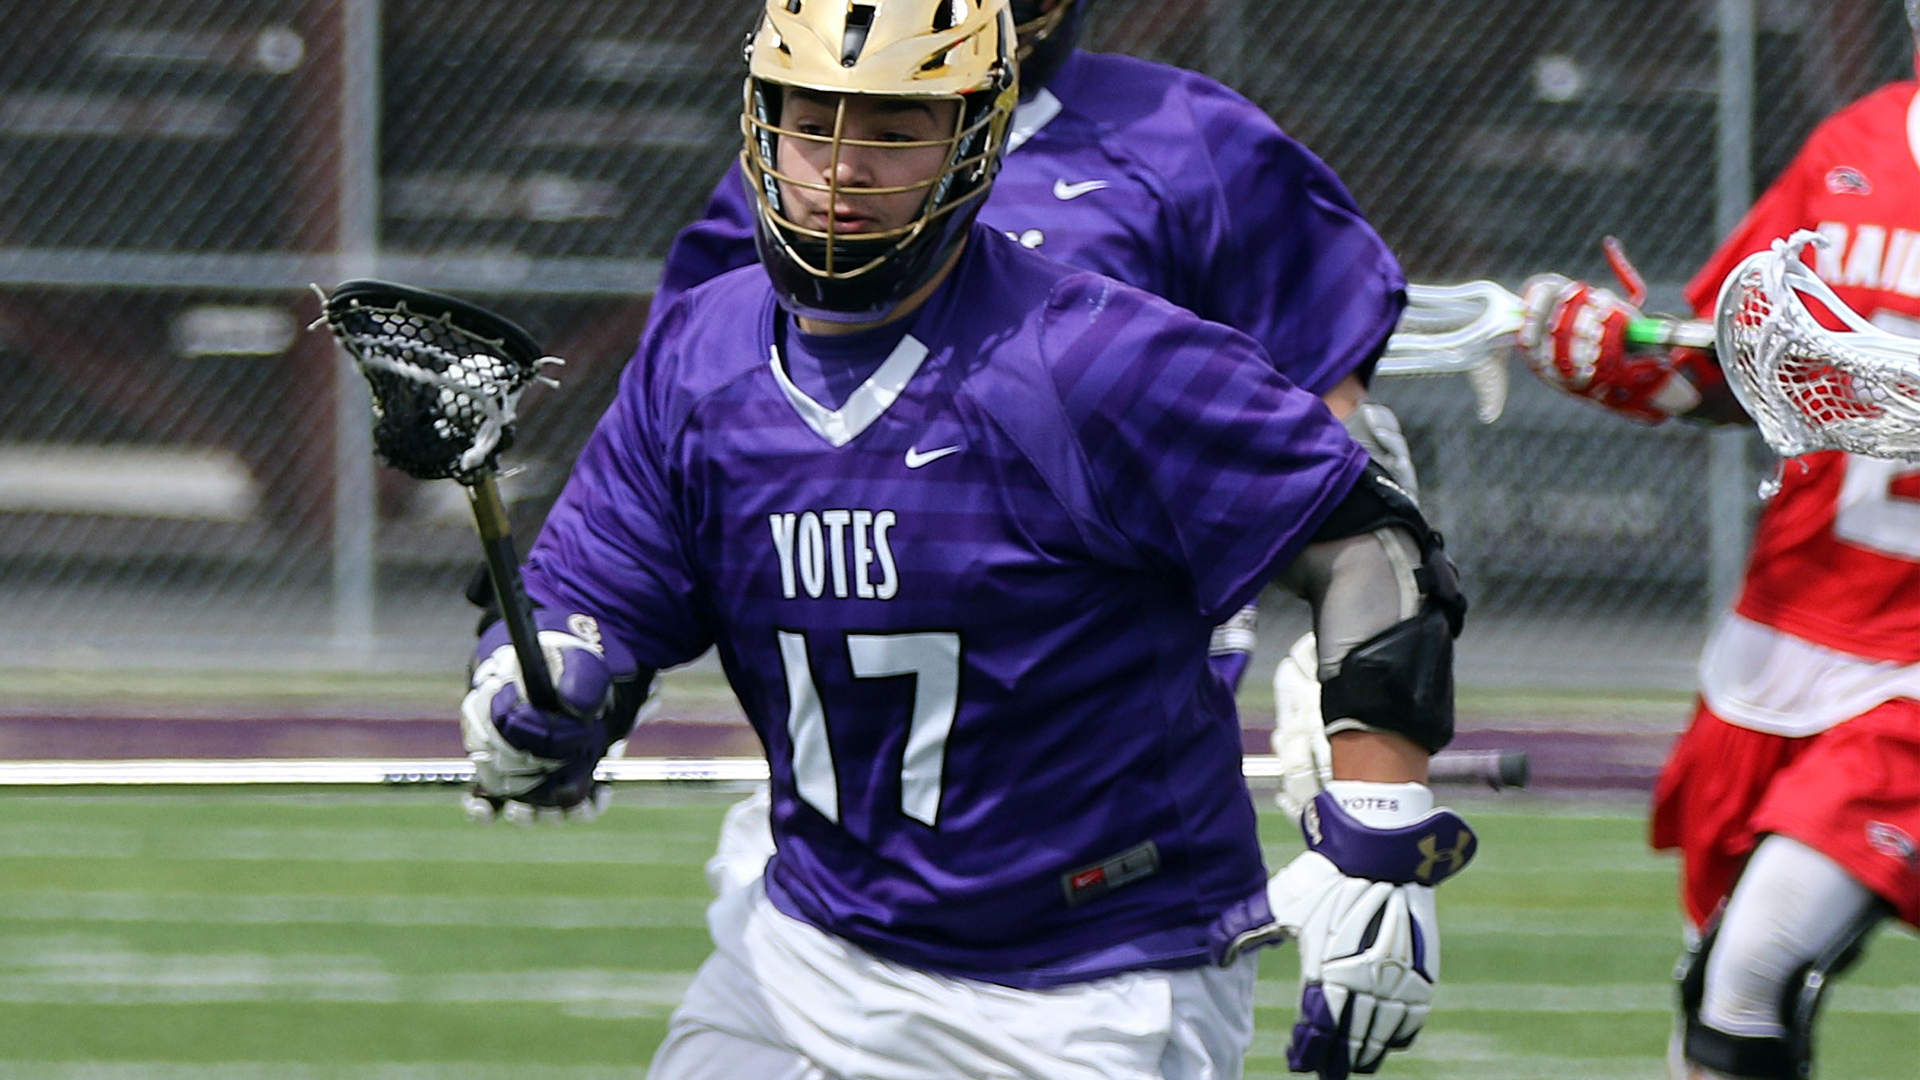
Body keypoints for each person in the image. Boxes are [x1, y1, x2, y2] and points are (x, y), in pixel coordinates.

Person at [459, 1, 1475, 1077]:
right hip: (803, 946)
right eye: (814, 122)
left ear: (976, 140)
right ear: (758, 123)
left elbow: (1370, 542)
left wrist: (1375, 831)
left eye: (893, 131)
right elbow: (595, 595)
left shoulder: (1091, 354)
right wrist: (544, 691)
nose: (841, 169)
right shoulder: (700, 355)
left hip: (1087, 981)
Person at [649, 0, 1416, 695]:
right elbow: (688, 407)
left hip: (1117, 687)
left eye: (895, 133)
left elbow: (1335, 417)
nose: (844, 161)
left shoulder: (1187, 134)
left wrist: (1345, 641)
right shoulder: (811, 156)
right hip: (838, 675)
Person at [1515, 10, 1920, 1075]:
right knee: (1709, 1003)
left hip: (1913, 668)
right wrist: (1620, 361)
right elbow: (1733, 359)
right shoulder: (1856, 145)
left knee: (1756, 971)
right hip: (1785, 628)